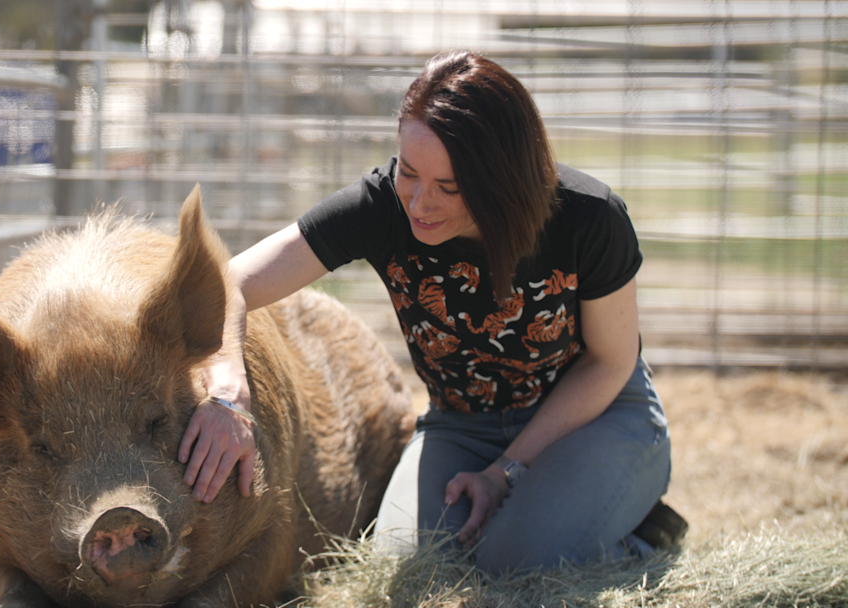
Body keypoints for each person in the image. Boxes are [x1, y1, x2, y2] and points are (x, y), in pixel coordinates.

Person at [176, 50, 684, 575]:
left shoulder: (589, 217)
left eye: (450, 187)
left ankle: (636, 530)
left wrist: (504, 472)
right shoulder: (380, 208)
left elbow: (610, 362)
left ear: (502, 180)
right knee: (408, 569)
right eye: (410, 173)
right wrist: (229, 393)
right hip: (463, 425)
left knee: (513, 562)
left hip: (593, 415)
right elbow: (226, 282)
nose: (419, 204)